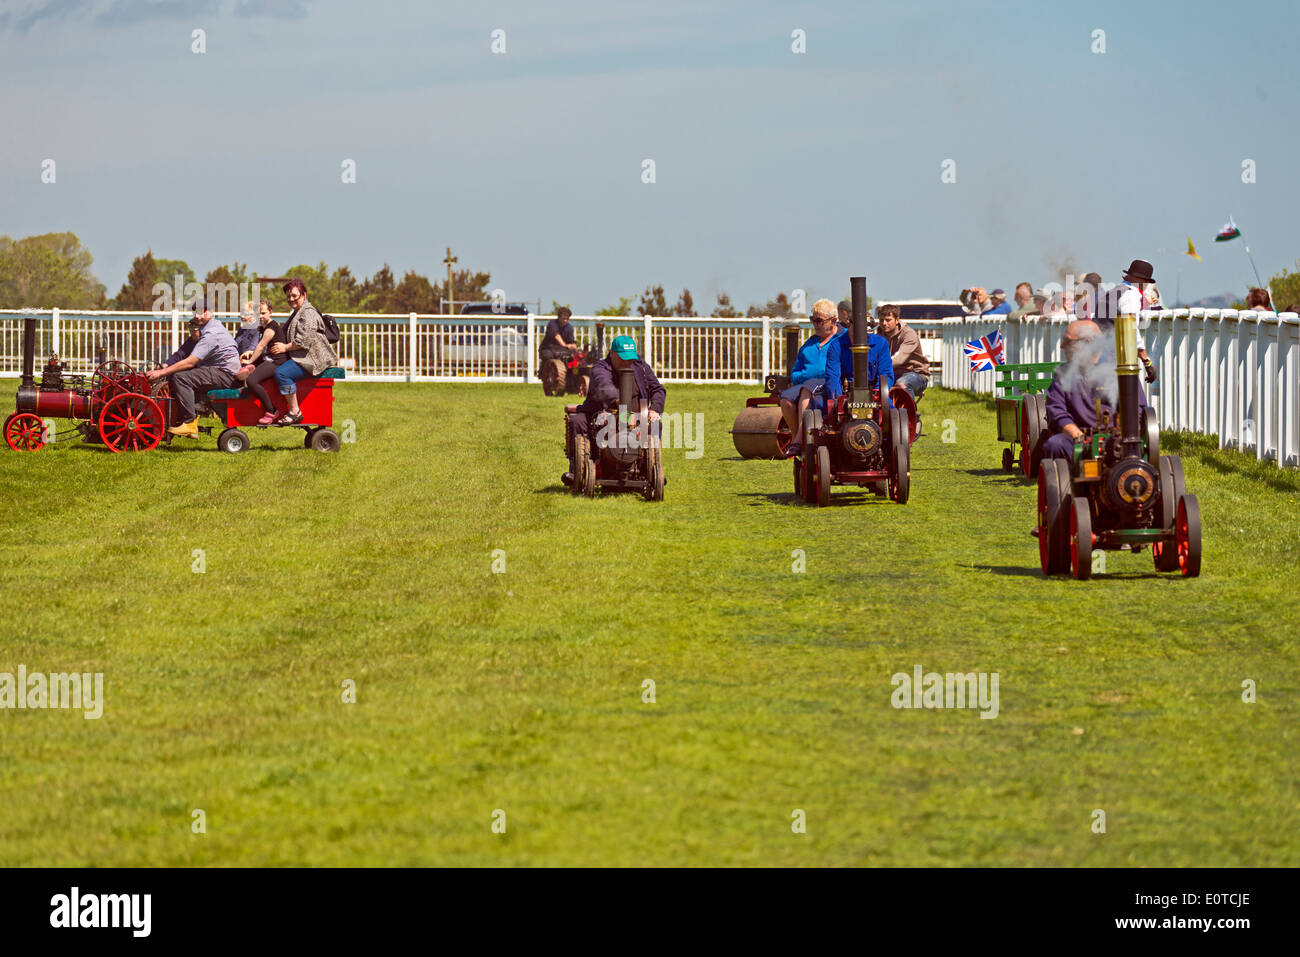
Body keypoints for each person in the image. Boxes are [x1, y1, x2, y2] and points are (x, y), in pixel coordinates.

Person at [145, 298, 240, 438]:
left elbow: (190, 361)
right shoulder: (209, 328)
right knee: (185, 375)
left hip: (225, 374)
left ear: (211, 313)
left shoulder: (211, 334)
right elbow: (182, 353)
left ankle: (189, 422)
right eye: (195, 312)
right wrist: (165, 366)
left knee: (181, 378)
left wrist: (161, 373)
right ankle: (189, 419)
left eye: (201, 312)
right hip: (223, 372)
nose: (197, 316)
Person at [567, 335, 665, 448]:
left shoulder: (640, 366)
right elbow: (603, 385)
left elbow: (657, 389)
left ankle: (648, 463)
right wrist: (618, 401)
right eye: (623, 358)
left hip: (634, 415)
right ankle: (589, 459)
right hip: (603, 414)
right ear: (612, 353)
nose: (627, 362)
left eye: (630, 358)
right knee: (577, 422)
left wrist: (654, 410)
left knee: (655, 425)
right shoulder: (600, 367)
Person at [267, 279, 338, 426]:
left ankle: (294, 412)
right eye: (288, 296)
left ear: (304, 295)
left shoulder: (308, 313)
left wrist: (284, 348)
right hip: (303, 356)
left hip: (314, 360)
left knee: (282, 373)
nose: (291, 299)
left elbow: (304, 341)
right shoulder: (298, 312)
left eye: (294, 295)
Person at [778, 299, 840, 458]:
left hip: (828, 383)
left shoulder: (841, 339)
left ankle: (798, 442)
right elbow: (795, 372)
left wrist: (810, 375)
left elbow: (828, 370)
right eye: (813, 320)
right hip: (806, 383)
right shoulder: (810, 343)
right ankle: (796, 436)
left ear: (833, 321)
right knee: (785, 398)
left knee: (806, 391)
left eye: (819, 320)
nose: (815, 324)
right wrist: (805, 376)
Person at [1042, 320, 1110, 460]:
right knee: (1055, 445)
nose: (1061, 346)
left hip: (1114, 439)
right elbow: (1056, 410)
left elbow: (1139, 412)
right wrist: (1077, 435)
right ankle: (1067, 479)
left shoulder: (1118, 371)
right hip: (1077, 438)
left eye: (1067, 341)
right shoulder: (1064, 374)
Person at [1094, 259, 1156, 381]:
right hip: (1116, 356)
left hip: (1099, 352)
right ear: (1142, 281)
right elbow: (1130, 327)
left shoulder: (1114, 291)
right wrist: (1146, 361)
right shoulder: (1130, 295)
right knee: (1132, 397)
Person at [824, 308, 893, 402]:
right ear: (849, 324)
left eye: (866, 330)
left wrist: (877, 396)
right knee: (824, 407)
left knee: (890, 411)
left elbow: (885, 374)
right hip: (846, 394)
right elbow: (833, 376)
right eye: (858, 328)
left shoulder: (881, 344)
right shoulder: (836, 345)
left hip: (874, 393)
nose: (862, 335)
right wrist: (838, 400)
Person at [240, 300, 287, 422]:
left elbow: (261, 346)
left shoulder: (271, 327)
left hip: (276, 361)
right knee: (243, 368)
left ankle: (271, 410)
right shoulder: (263, 327)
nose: (260, 316)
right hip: (268, 358)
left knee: (251, 380)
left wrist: (250, 361)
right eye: (257, 313)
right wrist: (251, 353)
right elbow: (260, 348)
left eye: (263, 313)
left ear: (270, 312)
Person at [876, 303, 931, 400]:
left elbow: (898, 359)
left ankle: (909, 414)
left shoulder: (908, 334)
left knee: (902, 383)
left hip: (916, 374)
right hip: (890, 373)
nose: (884, 323)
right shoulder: (878, 334)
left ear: (897, 320)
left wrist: (877, 366)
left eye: (888, 320)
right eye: (881, 320)